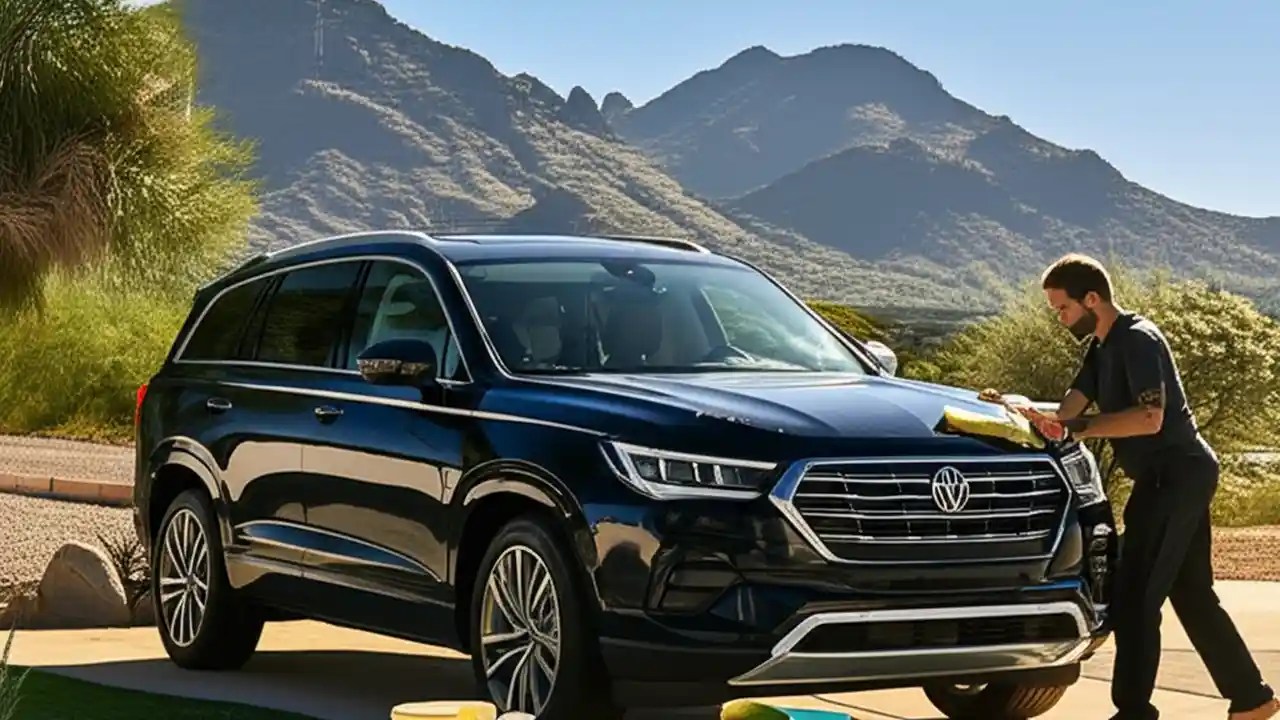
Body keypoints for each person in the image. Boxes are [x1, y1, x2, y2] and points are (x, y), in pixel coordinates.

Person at [1020, 253, 1278, 720]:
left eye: (1063, 309)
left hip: (1175, 476)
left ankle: (1133, 711)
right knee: (1193, 593)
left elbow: (1148, 417)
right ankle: (1253, 699)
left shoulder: (1137, 340)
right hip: (1174, 476)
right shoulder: (1100, 349)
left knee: (1136, 595)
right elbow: (1069, 411)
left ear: (1091, 299)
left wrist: (1079, 428)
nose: (1059, 319)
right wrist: (1027, 414)